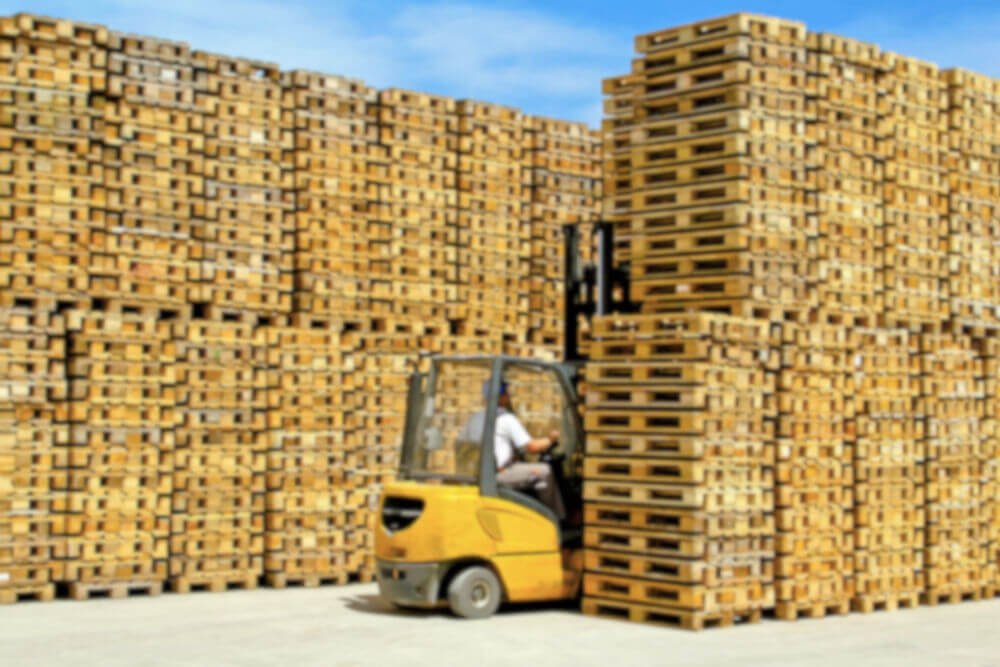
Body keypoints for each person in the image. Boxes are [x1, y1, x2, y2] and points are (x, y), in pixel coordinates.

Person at [458, 380, 566, 520]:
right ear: (501, 397)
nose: (508, 397)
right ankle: (556, 520)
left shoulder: (474, 418)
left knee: (529, 471)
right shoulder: (505, 418)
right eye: (506, 394)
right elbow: (533, 447)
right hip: (500, 473)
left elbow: (462, 444)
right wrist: (550, 439)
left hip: (479, 474)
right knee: (544, 472)